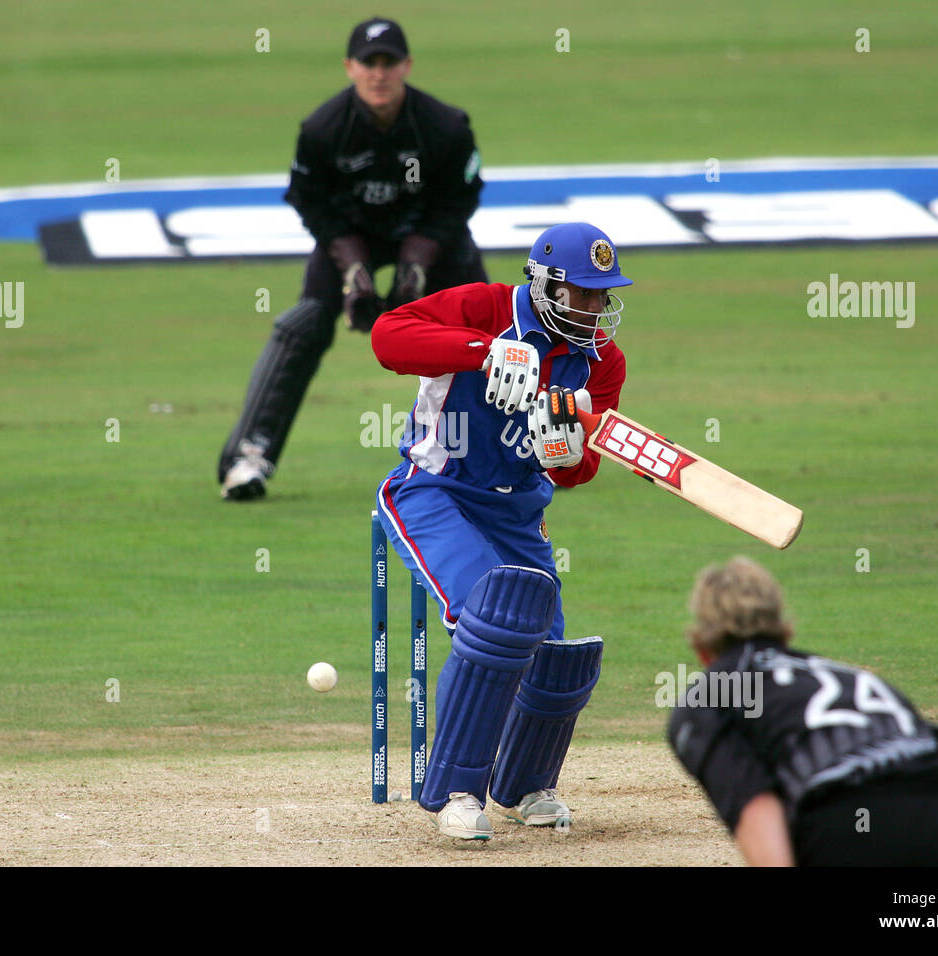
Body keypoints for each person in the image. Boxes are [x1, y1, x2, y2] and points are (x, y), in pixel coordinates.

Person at [371, 221, 632, 840]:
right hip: (437, 491)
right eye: (583, 294)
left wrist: (566, 452)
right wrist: (483, 350)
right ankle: (458, 792)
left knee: (551, 649)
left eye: (603, 295)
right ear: (543, 286)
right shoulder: (486, 307)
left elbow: (582, 468)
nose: (595, 309)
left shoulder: (602, 363)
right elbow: (388, 337)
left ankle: (524, 783)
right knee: (494, 613)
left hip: (519, 513)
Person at [219, 17, 487, 499]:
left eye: (388, 62)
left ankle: (529, 448)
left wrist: (419, 255)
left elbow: (461, 197)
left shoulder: (445, 126)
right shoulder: (322, 130)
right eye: (368, 63)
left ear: (407, 65)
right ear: (349, 68)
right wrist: (352, 265)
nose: (378, 74)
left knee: (483, 323)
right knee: (307, 322)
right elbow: (307, 198)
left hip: (430, 235)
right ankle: (248, 457)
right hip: (350, 234)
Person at [667, 557, 938, 866]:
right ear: (785, 633)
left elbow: (756, 809)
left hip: (846, 824)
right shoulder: (857, 679)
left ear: (702, 650)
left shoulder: (708, 695)